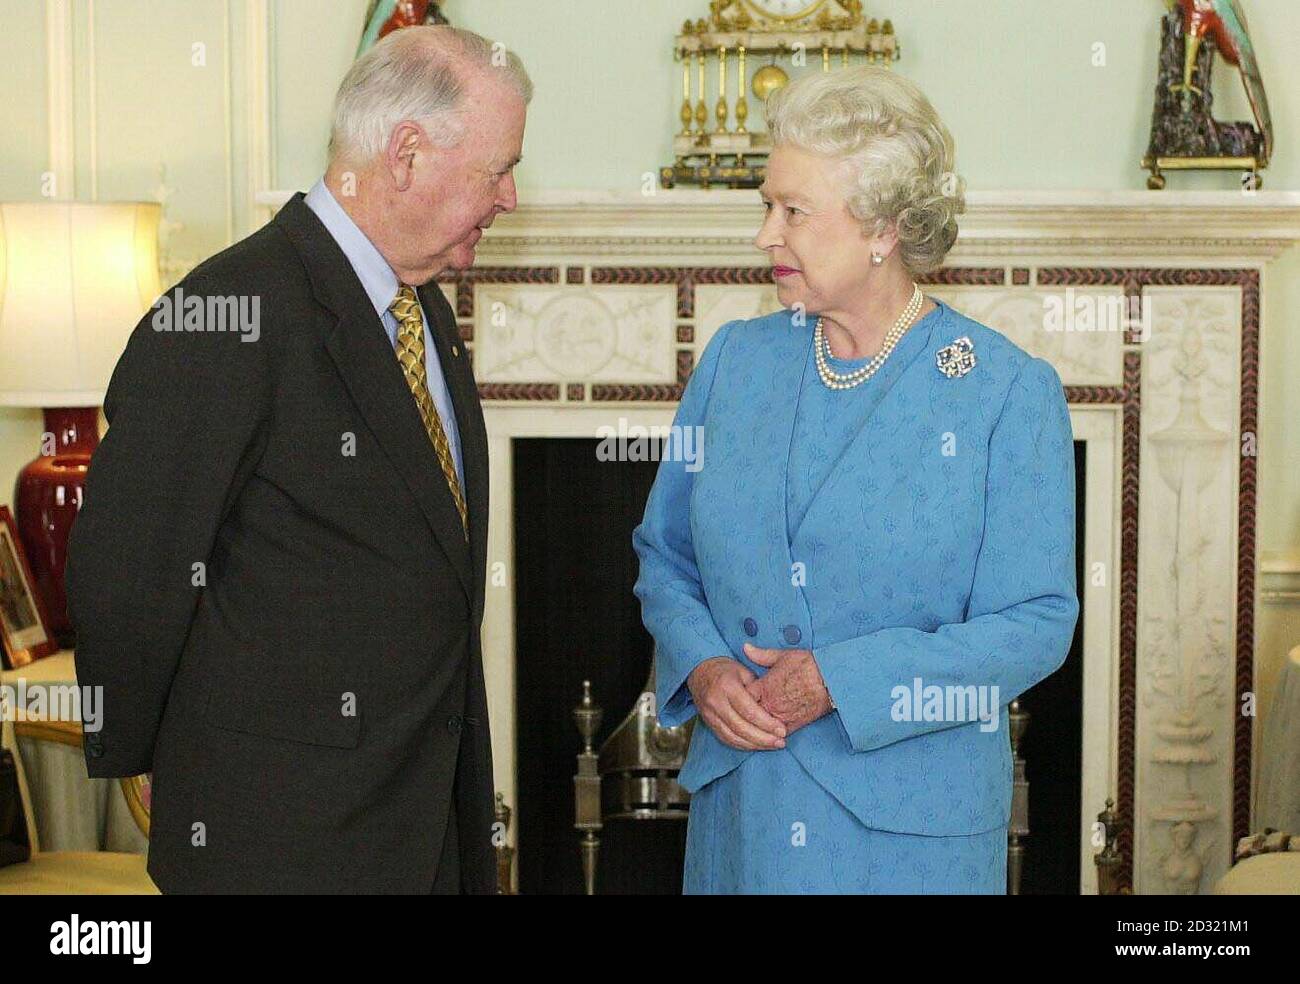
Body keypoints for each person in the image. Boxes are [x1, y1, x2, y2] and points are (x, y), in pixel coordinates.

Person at [66, 25, 531, 893]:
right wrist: (152, 757)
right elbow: (130, 572)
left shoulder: (421, 308)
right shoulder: (226, 315)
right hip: (278, 832)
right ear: (406, 156)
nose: (509, 197)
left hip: (423, 822)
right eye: (497, 168)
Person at [633, 65, 1079, 894]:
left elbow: (1037, 623)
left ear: (885, 226)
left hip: (910, 831)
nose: (766, 235)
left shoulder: (1003, 391)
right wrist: (701, 665)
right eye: (765, 206)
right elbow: (664, 555)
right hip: (743, 812)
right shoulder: (736, 362)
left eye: (792, 211)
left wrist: (843, 680)